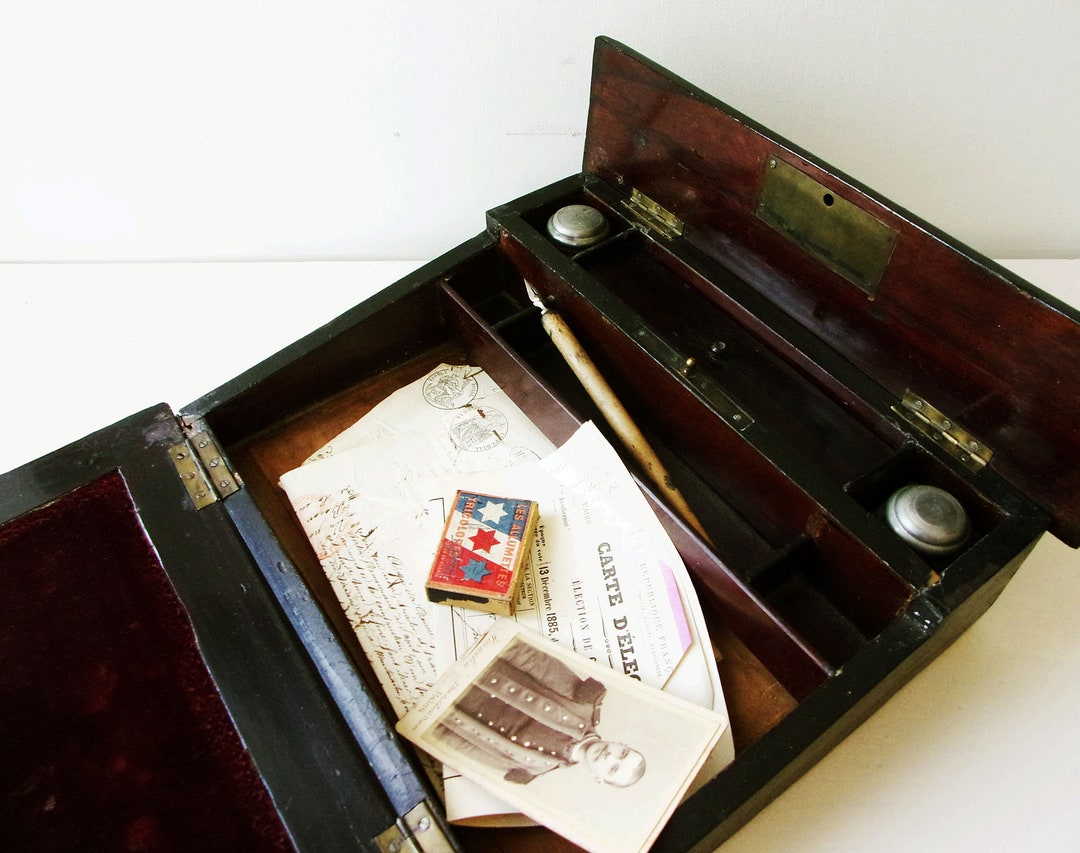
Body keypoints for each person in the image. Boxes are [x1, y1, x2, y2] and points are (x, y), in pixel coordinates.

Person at [435, 637, 646, 786]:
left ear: (598, 778)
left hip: (439, 703)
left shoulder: (529, 770)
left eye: (613, 769)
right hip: (462, 661)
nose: (610, 756)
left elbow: (453, 742)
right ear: (621, 744)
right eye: (623, 753)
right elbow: (524, 655)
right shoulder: (584, 702)